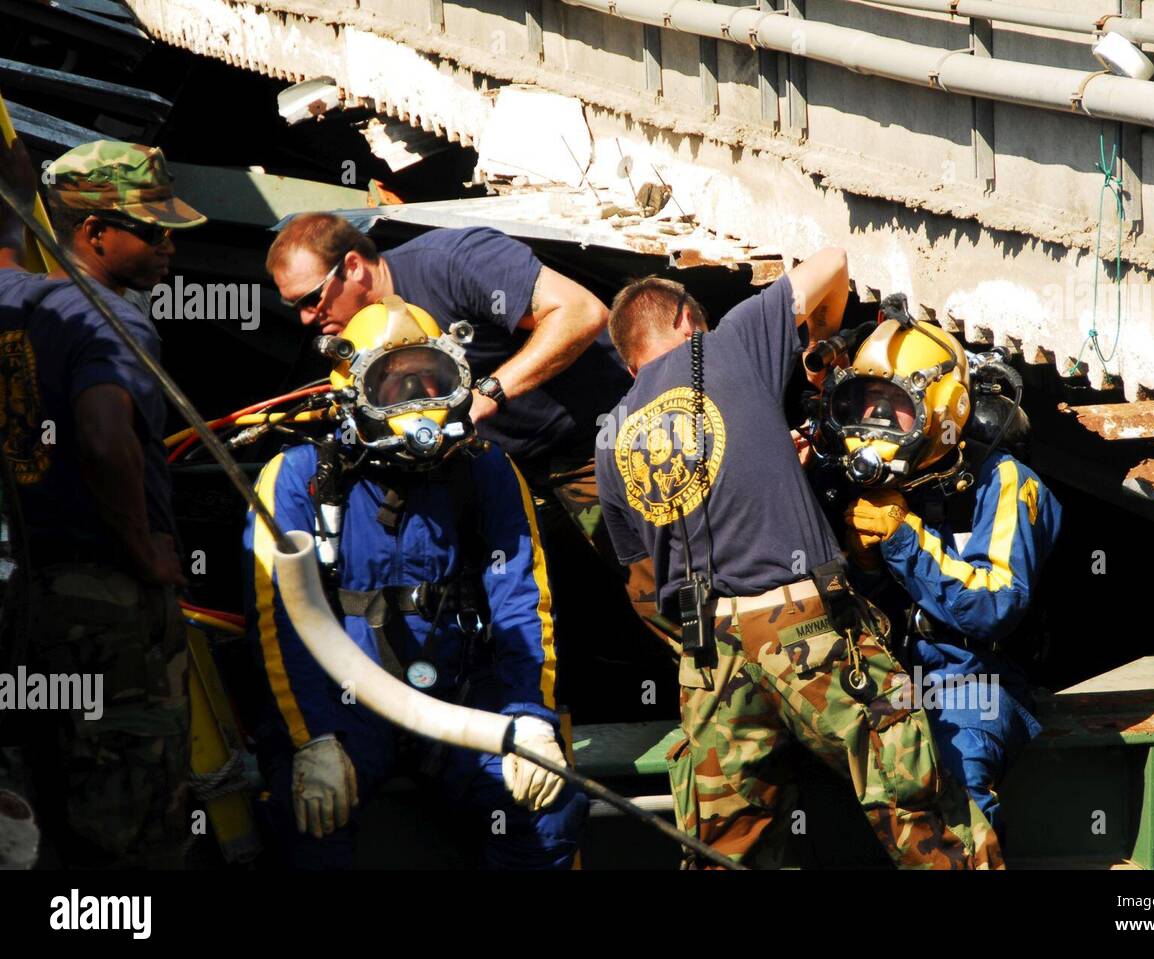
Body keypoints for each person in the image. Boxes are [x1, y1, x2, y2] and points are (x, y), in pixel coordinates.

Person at [593, 252, 1003, 869]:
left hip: (709, 659)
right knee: (918, 805)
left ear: (629, 362)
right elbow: (833, 266)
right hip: (808, 626)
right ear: (686, 320)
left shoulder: (609, 438)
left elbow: (645, 585)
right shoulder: (727, 342)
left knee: (723, 847)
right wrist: (821, 344)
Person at [243, 295, 587, 869]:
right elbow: (280, 623)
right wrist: (313, 738)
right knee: (308, 817)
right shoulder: (297, 477)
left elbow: (522, 603)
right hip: (342, 708)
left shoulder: (487, 470)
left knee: (546, 805)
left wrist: (528, 715)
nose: (418, 401)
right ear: (353, 392)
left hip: (459, 699)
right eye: (395, 385)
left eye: (432, 382)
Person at [265, 213, 674, 664]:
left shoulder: (453, 262)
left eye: (311, 298)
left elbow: (582, 311)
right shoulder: (348, 334)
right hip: (501, 471)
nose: (306, 317)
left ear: (355, 267)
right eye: (294, 307)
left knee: (660, 589)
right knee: (509, 610)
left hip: (590, 448)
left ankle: (725, 711)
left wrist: (489, 393)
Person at [0, 139, 206, 867]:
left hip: (31, 599)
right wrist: (143, 546)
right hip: (111, 610)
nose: (168, 246)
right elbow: (101, 435)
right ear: (93, 235)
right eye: (151, 231)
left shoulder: (18, 302)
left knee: (54, 811)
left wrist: (17, 201)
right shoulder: (106, 318)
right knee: (136, 822)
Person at [829, 305, 1062, 846]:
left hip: (979, 680)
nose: (877, 423)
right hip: (889, 677)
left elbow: (997, 604)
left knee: (953, 785)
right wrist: (863, 568)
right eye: (865, 405)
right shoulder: (867, 478)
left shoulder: (1003, 482)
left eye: (894, 408)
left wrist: (901, 537)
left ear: (938, 411)